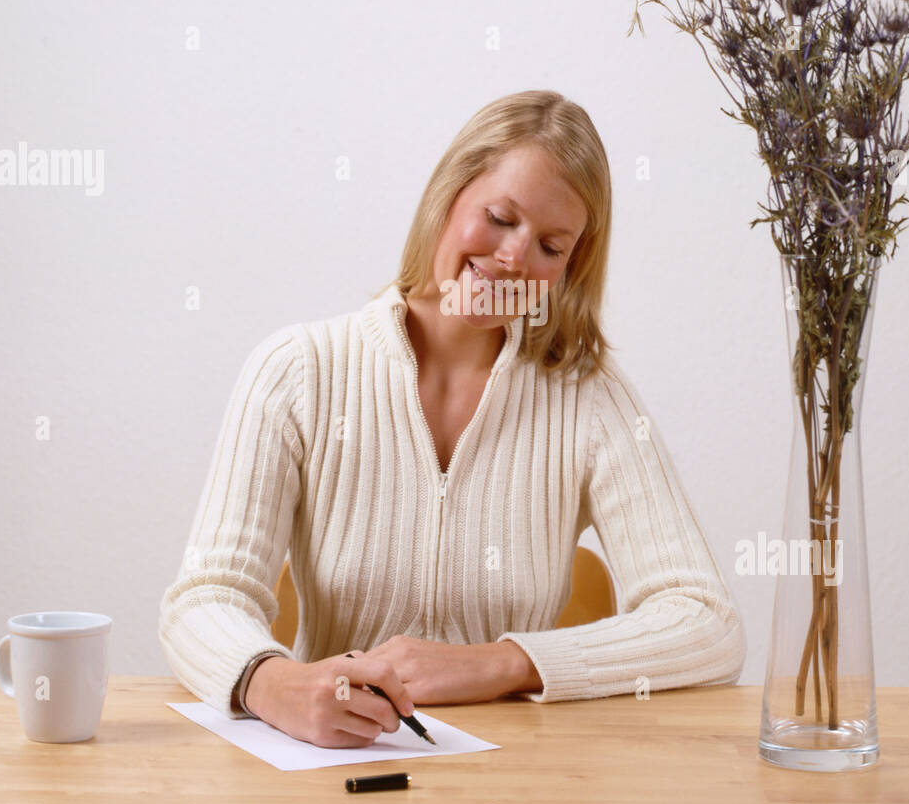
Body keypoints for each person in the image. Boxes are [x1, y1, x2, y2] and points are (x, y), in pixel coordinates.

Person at [158, 90, 747, 748]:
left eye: (551, 246)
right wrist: (272, 683)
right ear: (448, 195)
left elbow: (707, 622)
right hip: (334, 772)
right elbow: (202, 599)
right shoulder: (299, 371)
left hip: (522, 783)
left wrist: (501, 664)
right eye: (500, 217)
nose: (516, 257)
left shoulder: (590, 398)